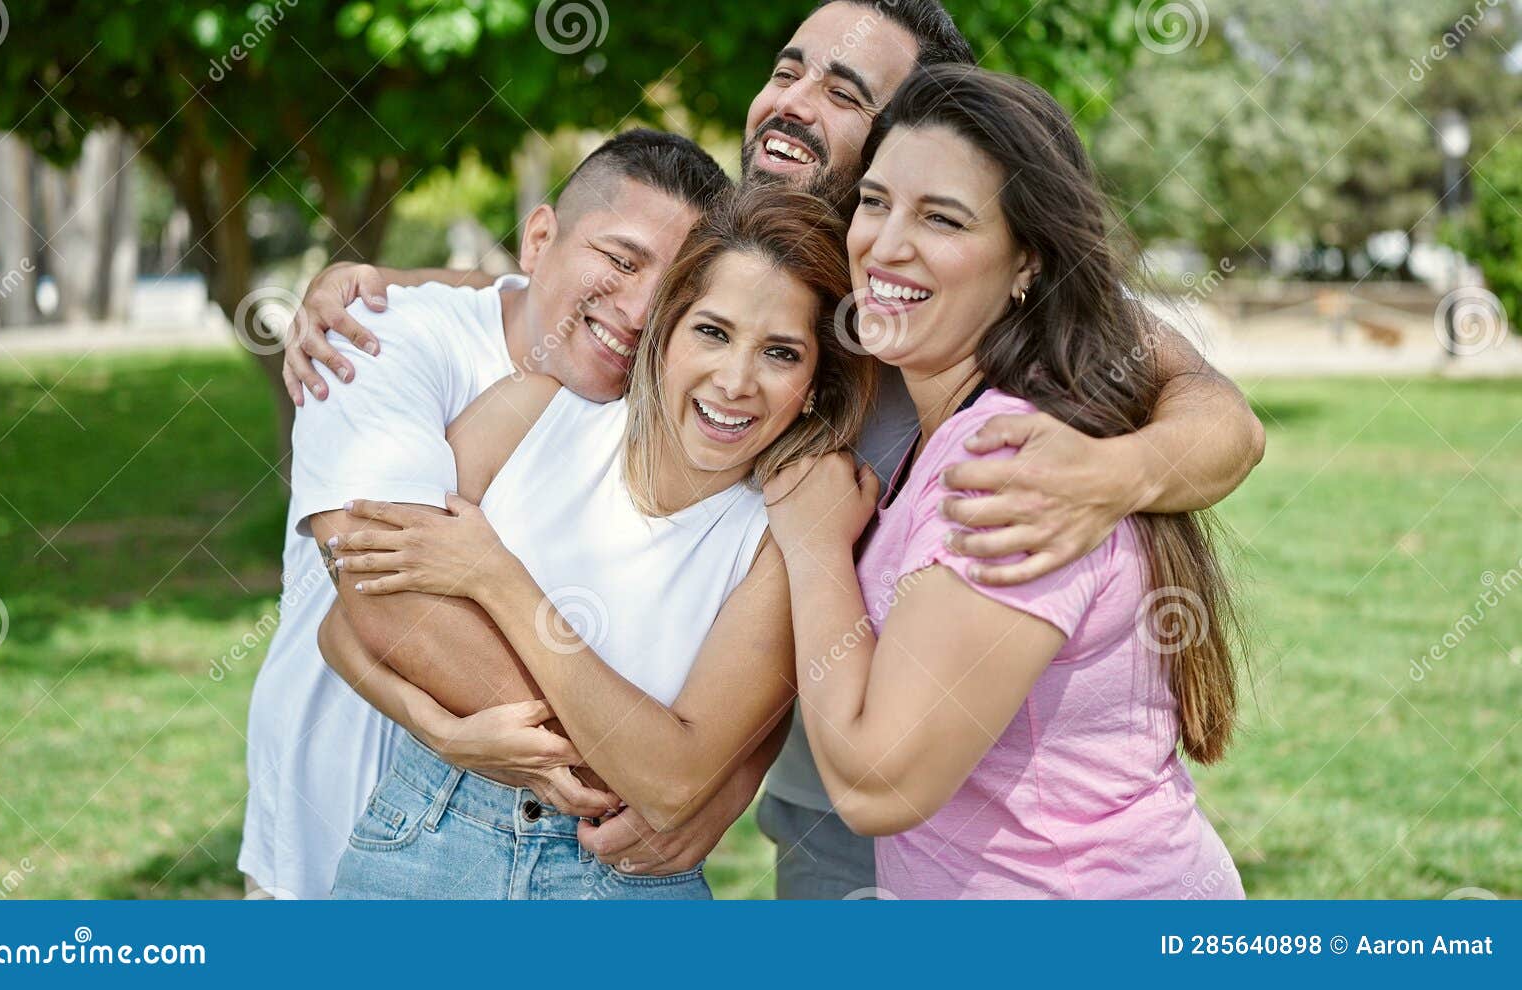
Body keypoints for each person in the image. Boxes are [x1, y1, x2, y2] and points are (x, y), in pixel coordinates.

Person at [278, 0, 1266, 898]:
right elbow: (607, 278)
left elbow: (1223, 417)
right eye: (788, 69)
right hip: (833, 830)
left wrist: (1110, 474)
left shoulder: (991, 380)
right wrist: (388, 281)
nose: (791, 103)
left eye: (842, 90)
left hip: (980, 855)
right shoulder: (790, 282)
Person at [766, 63, 1245, 898]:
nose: (886, 244)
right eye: (874, 203)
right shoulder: (975, 421)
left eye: (942, 219)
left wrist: (812, 546)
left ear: (1026, 262)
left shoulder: (1004, 459)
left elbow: (881, 782)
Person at [321, 186, 873, 898]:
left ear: (815, 380)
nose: (735, 381)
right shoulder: (529, 416)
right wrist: (442, 730)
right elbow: (353, 617)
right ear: (666, 332)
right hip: (429, 832)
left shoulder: (780, 535)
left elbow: (672, 786)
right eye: (712, 331)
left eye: (780, 352)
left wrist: (497, 578)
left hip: (617, 881)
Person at [237, 129, 729, 899]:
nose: (638, 310)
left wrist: (705, 778)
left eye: (674, 289)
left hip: (551, 859)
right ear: (540, 238)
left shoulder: (675, 397)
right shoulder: (378, 336)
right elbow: (385, 589)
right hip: (336, 804)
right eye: (621, 259)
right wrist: (634, 760)